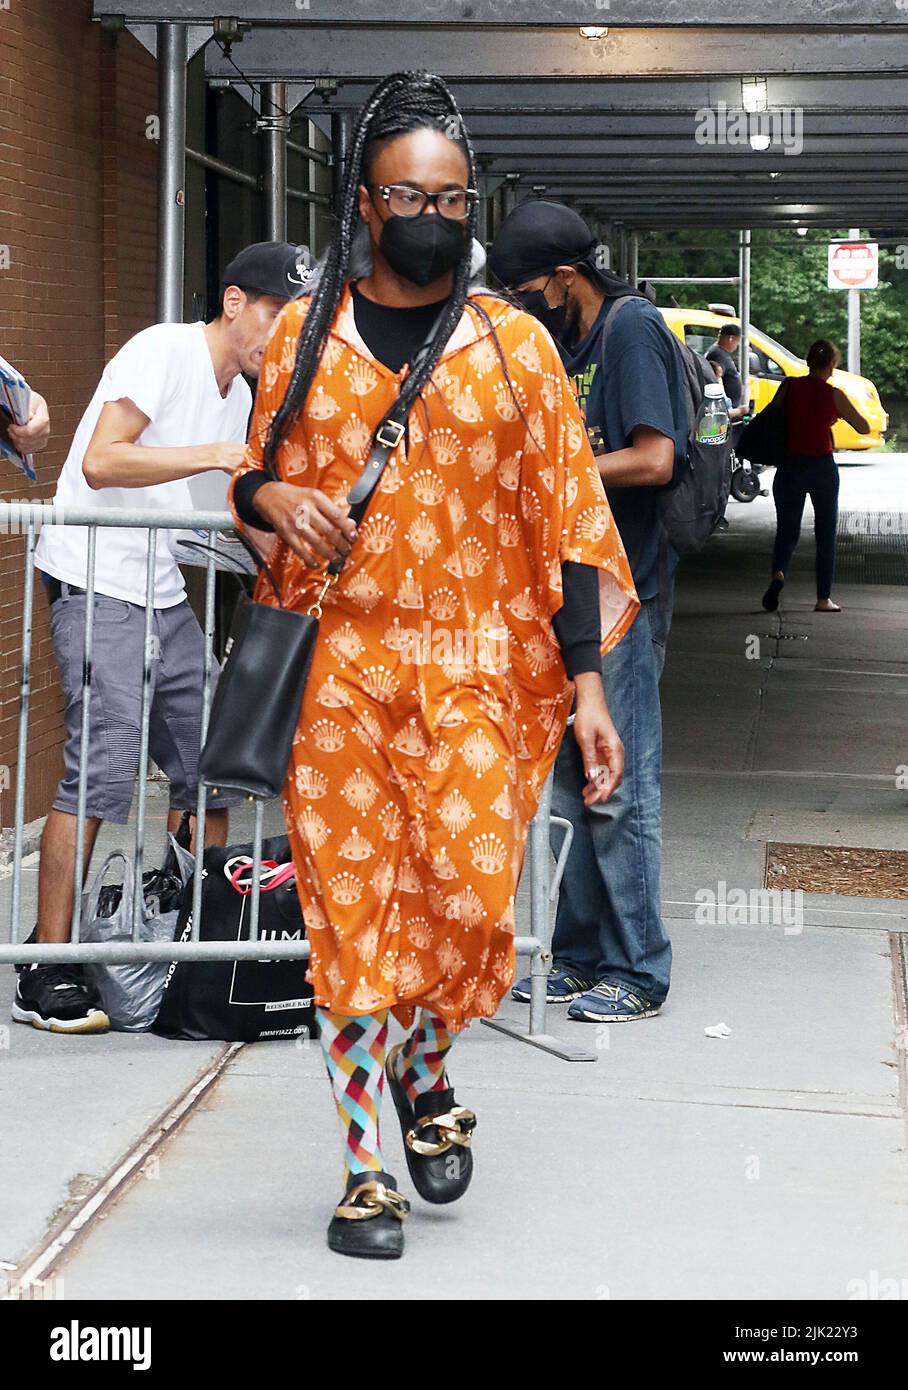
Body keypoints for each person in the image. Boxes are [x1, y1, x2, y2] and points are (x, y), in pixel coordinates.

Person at [231, 71, 638, 1259]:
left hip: (474, 674)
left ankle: (422, 1066)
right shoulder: (302, 337)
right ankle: (365, 1168)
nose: (432, 215)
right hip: (344, 673)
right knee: (354, 920)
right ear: (362, 203)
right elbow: (249, 475)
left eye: (454, 199)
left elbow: (565, 522)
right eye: (408, 193)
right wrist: (278, 494)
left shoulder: (512, 347)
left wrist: (587, 685)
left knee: (466, 903)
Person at [14, 241, 310, 1036]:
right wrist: (213, 453)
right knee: (101, 777)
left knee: (206, 766)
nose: (281, 334)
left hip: (160, 587)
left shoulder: (239, 394)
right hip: (96, 580)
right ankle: (49, 961)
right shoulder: (163, 350)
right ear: (235, 302)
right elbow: (104, 461)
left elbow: (232, 513)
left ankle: (191, 934)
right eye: (277, 313)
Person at [490, 201, 689, 1024]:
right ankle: (577, 954)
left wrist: (557, 477)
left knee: (620, 787)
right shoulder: (567, 343)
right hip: (573, 596)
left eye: (531, 288)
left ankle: (639, 968)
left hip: (627, 593)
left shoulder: (631, 331)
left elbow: (655, 457)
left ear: (566, 278)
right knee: (568, 788)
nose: (526, 302)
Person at [762, 338, 869, 614]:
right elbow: (864, 427)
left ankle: (778, 574)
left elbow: (772, 418)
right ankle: (823, 598)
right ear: (832, 364)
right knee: (825, 532)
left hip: (789, 466)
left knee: (787, 528)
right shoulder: (834, 394)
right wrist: (835, 416)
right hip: (821, 468)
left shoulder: (789, 386)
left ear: (808, 361)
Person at [706, 322, 744, 413]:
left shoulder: (719, 352)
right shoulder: (718, 354)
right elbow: (716, 377)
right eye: (737, 341)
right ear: (731, 339)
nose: (737, 345)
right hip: (725, 411)